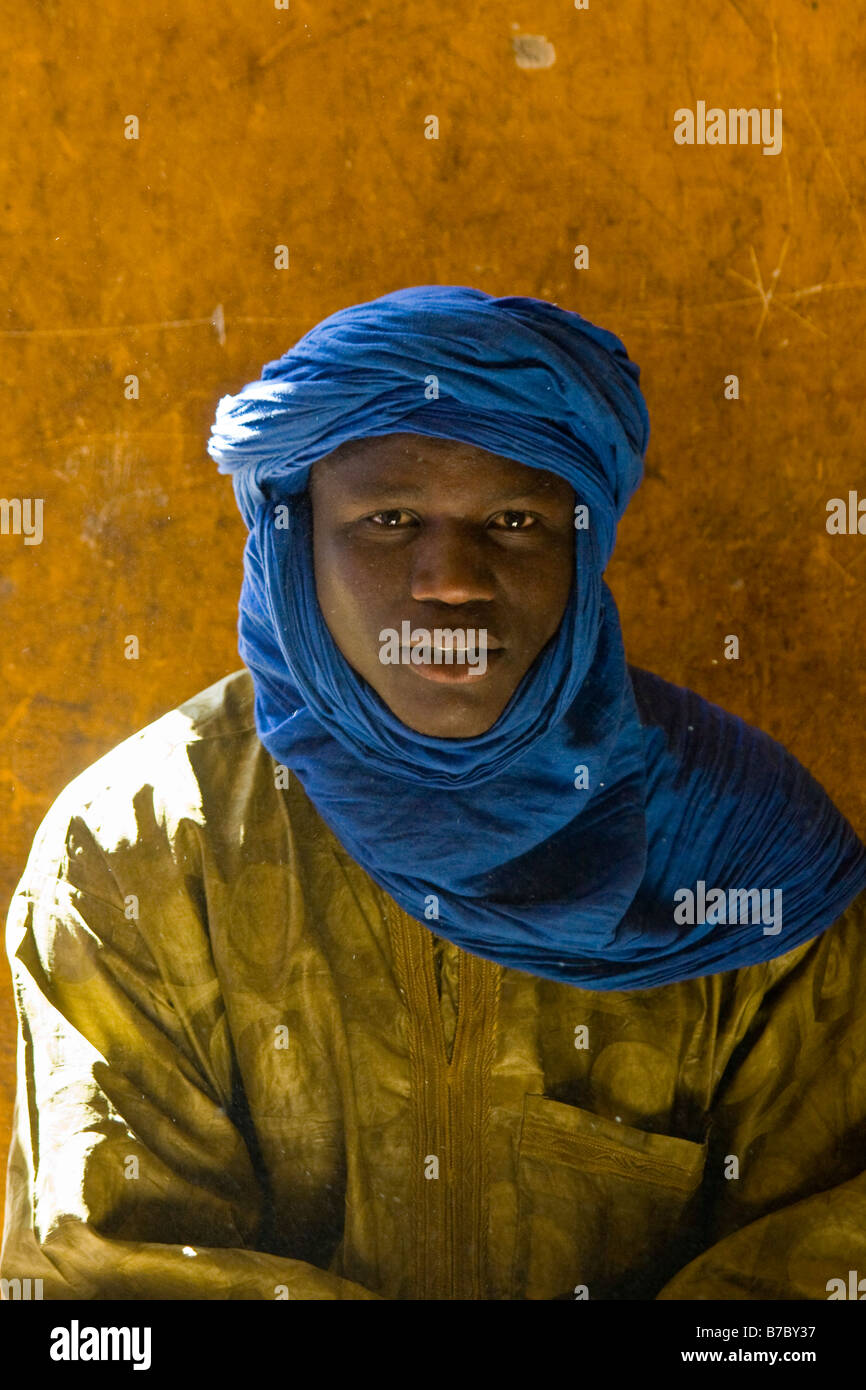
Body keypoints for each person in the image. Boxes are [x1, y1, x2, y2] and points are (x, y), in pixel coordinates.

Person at [3, 284, 866, 1301]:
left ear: (580, 548)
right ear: (292, 545)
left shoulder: (746, 853)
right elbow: (109, 1287)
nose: (451, 577)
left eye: (513, 519)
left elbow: (819, 1276)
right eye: (387, 518)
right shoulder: (137, 851)